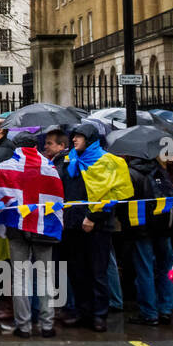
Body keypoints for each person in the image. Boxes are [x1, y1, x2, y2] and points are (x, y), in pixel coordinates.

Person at [55, 122, 132, 332]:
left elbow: (114, 194)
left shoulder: (108, 161)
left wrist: (92, 217)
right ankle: (83, 312)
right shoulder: (69, 160)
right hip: (72, 225)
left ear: (89, 139)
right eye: (74, 136)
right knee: (78, 272)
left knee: (98, 272)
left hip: (98, 226)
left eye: (78, 136)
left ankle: (99, 315)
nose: (73, 139)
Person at [0, 135, 64, 339]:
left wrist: (0, 223)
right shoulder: (49, 166)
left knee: (20, 277)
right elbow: (58, 199)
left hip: (16, 227)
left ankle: (23, 326)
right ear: (35, 146)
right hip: (44, 228)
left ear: (16, 147)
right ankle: (47, 325)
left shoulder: (6, 166)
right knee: (45, 276)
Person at [124, 151, 173, 327]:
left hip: (141, 228)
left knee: (145, 270)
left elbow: (125, 201)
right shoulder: (160, 171)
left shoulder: (131, 173)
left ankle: (149, 313)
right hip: (163, 228)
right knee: (166, 268)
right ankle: (166, 310)